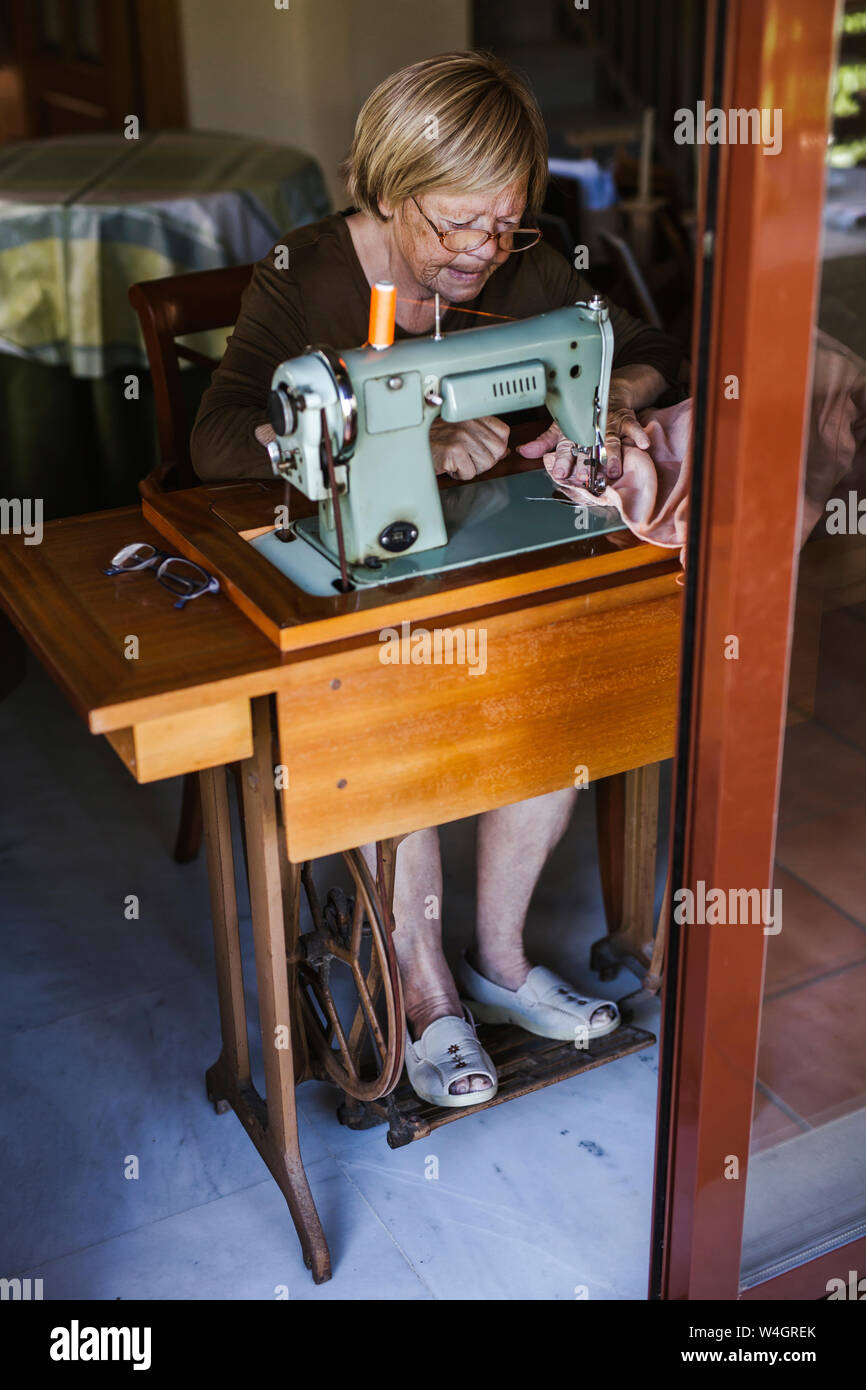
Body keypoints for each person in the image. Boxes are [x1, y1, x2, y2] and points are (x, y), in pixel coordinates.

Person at [191, 51, 686, 1108]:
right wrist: (401, 426)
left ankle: (496, 965)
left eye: (502, 224)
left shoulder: (529, 264)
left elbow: (644, 347)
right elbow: (220, 434)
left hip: (477, 577)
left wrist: (608, 403)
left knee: (555, 697)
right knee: (401, 723)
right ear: (386, 186)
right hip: (359, 587)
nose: (479, 253)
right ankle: (425, 996)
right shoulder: (305, 268)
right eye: (454, 225)